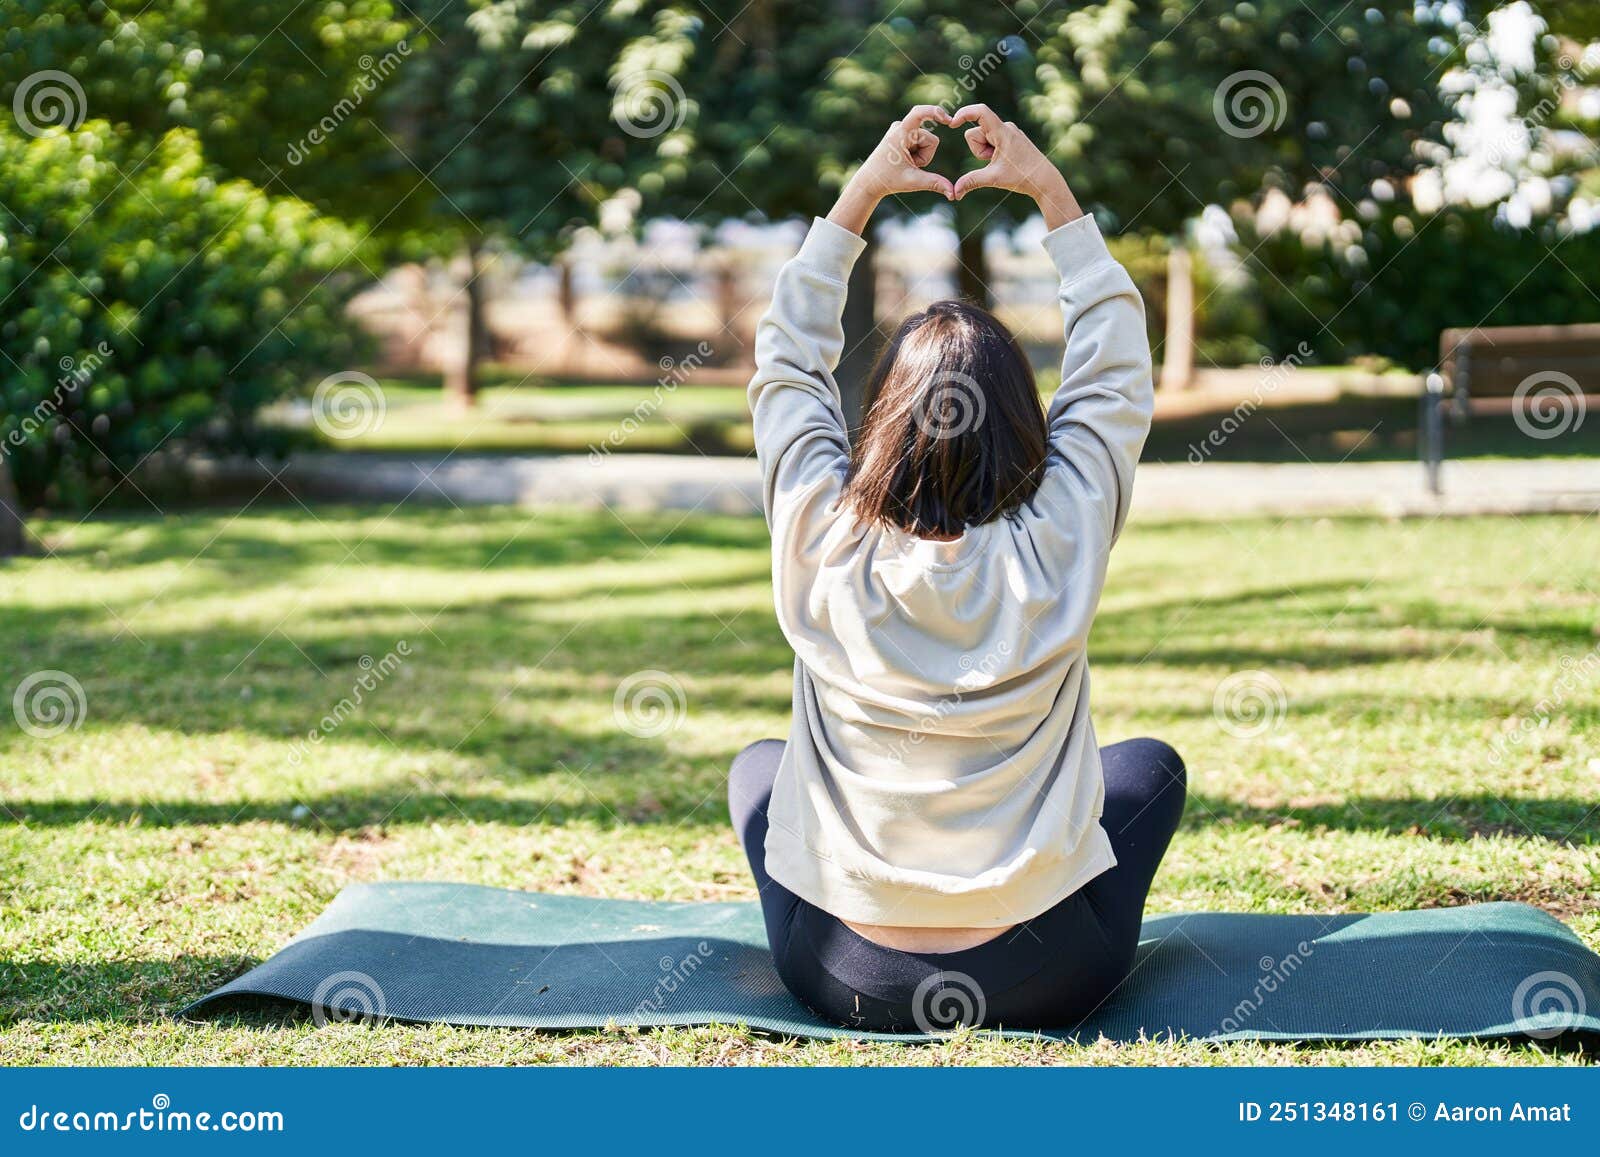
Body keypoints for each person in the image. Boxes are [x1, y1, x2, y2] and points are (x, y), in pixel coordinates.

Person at [728, 104, 1187, 1033]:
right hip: (1045, 972)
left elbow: (786, 363)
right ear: (1025, 421)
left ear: (880, 419)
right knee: (1149, 769)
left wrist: (862, 195)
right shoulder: (1062, 534)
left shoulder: (820, 534)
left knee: (759, 769)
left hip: (844, 971)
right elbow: (1113, 375)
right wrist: (1049, 193)